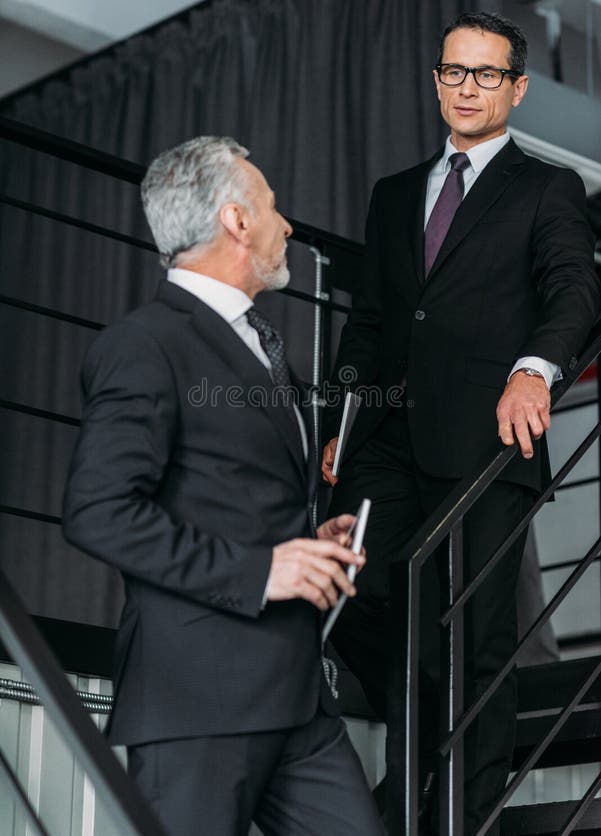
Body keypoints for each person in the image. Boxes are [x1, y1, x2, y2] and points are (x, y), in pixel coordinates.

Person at [321, 11, 600, 835]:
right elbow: (371, 321)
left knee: (475, 640)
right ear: (435, 78)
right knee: (358, 594)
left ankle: (453, 812)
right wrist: (348, 413)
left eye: (485, 74)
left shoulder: (547, 187)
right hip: (388, 436)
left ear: (515, 87)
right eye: (452, 71)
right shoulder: (394, 193)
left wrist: (531, 371)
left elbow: (575, 293)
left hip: (488, 438)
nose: (465, 88)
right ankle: (421, 763)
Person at [63, 136, 385, 836]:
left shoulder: (258, 344)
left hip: (298, 700)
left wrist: (307, 542)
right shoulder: (144, 344)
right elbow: (97, 511)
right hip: (198, 701)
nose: (287, 225)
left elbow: (233, 495)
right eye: (271, 206)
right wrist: (264, 569)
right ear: (237, 221)